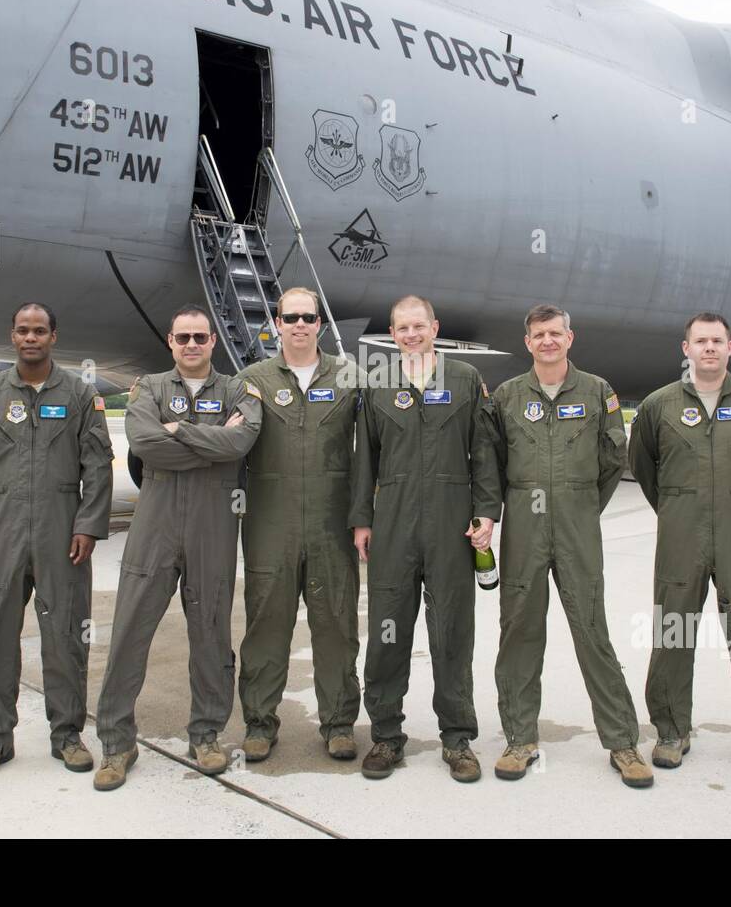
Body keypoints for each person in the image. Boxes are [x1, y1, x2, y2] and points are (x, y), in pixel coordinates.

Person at [484, 304, 653, 787]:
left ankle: (622, 743)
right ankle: (520, 740)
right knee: (518, 633)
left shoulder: (598, 392)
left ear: (569, 338)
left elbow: (610, 459)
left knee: (592, 632)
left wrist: (579, 505)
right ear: (528, 343)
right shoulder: (508, 396)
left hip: (579, 530)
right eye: (539, 335)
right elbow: (492, 463)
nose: (547, 341)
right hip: (523, 529)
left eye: (555, 333)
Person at [93, 304, 260, 788]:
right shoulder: (149, 387)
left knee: (210, 632)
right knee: (129, 630)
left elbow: (240, 444)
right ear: (171, 341)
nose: (191, 345)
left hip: (213, 524)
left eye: (200, 337)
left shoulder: (236, 389)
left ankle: (205, 734)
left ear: (212, 342)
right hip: (156, 522)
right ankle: (116, 744)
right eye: (183, 337)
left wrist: (179, 431)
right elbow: (144, 442)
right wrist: (209, 441)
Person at [0, 302, 114, 779]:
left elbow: (98, 466)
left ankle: (67, 735)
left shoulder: (81, 396)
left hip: (61, 531)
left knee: (65, 636)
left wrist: (88, 525)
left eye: (39, 330)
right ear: (12, 336)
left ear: (53, 337)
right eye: (23, 330)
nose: (30, 338)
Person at [628, 312, 731, 775]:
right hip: (681, 534)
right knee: (674, 630)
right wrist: (679, 507)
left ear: (730, 347)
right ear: (686, 349)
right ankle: (671, 731)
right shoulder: (659, 405)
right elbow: (643, 464)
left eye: (717, 341)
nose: (709, 348)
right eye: (700, 341)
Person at [350, 295, 501, 781]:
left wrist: (486, 513)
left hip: (452, 523)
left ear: (434, 327)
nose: (411, 334)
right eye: (402, 328)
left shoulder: (463, 381)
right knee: (388, 632)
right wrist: (362, 520)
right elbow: (363, 462)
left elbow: (484, 453)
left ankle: (457, 739)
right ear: (392, 334)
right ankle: (386, 736)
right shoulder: (377, 385)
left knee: (453, 632)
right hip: (393, 523)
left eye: (419, 326)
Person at [236, 288, 364, 762]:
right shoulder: (252, 380)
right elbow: (231, 448)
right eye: (290, 317)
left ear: (319, 324)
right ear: (277, 321)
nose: (299, 324)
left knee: (336, 626)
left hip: (333, 525)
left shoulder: (351, 378)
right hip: (271, 524)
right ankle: (259, 723)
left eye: (308, 316)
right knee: (266, 626)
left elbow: (372, 449)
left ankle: (338, 724)